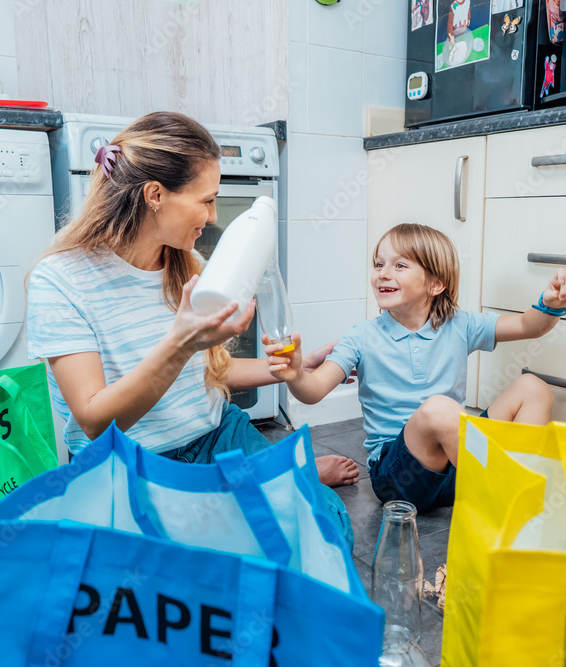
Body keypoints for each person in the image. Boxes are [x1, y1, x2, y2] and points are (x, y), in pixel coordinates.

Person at [25, 112, 355, 544]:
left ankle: (290, 481)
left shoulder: (187, 266)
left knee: (321, 534)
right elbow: (94, 421)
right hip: (130, 461)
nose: (213, 215)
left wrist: (287, 367)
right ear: (155, 195)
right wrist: (182, 342)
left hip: (217, 437)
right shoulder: (61, 279)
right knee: (196, 576)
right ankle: (289, 476)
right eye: (205, 200)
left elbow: (201, 373)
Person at [265, 223, 566, 513]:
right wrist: (296, 375)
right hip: (401, 477)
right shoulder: (362, 336)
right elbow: (314, 390)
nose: (383, 273)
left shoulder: (461, 325)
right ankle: (511, 501)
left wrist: (551, 304)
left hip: (458, 466)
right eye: (379, 264)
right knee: (437, 409)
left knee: (534, 388)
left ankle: (517, 485)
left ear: (435, 284)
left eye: (399, 265)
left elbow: (530, 326)